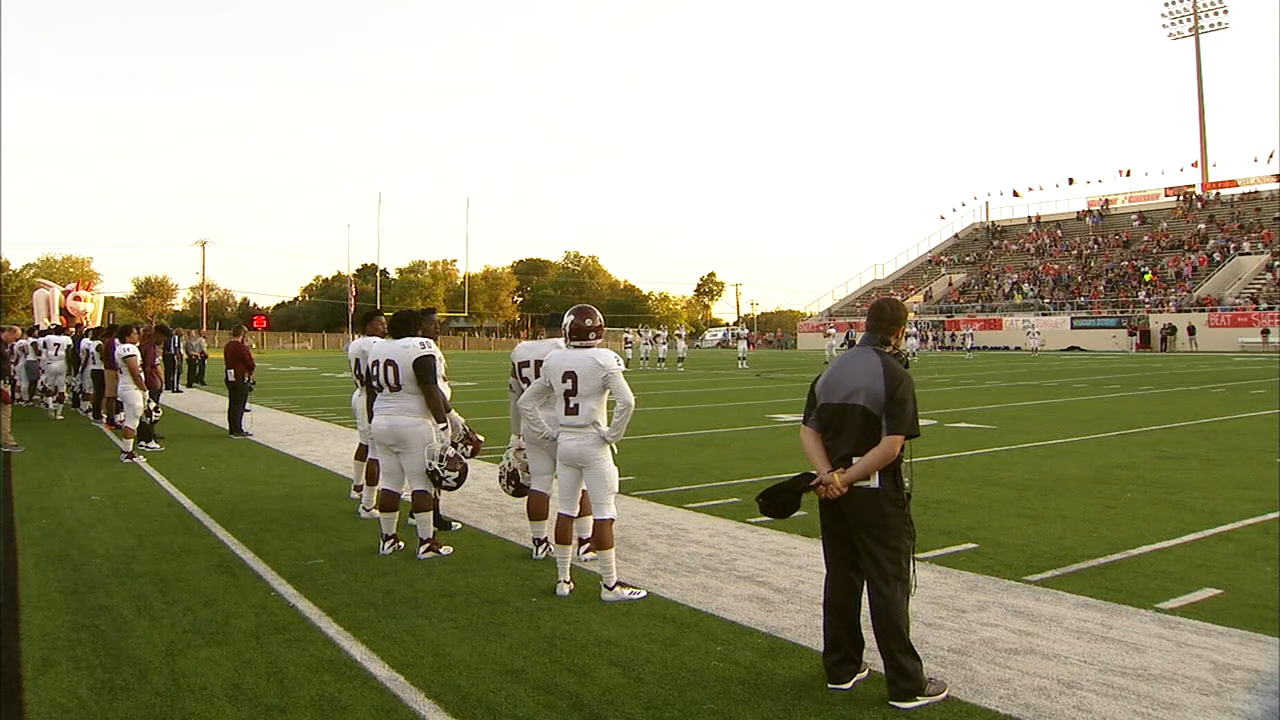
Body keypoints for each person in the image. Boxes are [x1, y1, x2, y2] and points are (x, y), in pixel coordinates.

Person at [801, 297, 948, 711]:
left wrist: (829, 475)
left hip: (832, 492)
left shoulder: (831, 370)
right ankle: (906, 682)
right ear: (900, 331)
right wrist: (847, 477)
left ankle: (841, 667)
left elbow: (808, 431)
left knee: (842, 578)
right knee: (888, 583)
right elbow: (890, 445)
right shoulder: (893, 373)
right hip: (874, 492)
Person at [517, 304, 645, 602]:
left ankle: (563, 579)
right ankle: (609, 585)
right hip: (592, 442)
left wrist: (548, 432)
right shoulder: (603, 360)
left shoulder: (554, 359)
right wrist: (612, 434)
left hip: (566, 442)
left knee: (566, 509)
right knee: (603, 513)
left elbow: (526, 402)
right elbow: (627, 402)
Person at [365, 309, 456, 559]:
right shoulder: (420, 346)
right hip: (413, 422)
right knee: (421, 484)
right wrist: (443, 422)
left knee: (391, 483)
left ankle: (388, 539)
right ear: (416, 327)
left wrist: (373, 419)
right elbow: (429, 387)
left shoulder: (378, 348)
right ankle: (427, 542)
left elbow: (371, 390)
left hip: (381, 420)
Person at [508, 312, 596, 561]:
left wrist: (515, 434)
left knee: (539, 483)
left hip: (531, 423)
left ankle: (539, 543)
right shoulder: (564, 349)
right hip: (562, 422)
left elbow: (514, 394)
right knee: (580, 484)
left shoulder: (520, 350)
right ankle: (585, 542)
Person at [348, 309, 387, 518]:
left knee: (364, 444)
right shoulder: (374, 344)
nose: (384, 326)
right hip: (370, 397)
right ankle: (368, 504)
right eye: (380, 323)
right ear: (369, 325)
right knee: (375, 452)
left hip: (359, 394)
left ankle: (357, 486)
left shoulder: (356, 343)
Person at [114, 324, 149, 463]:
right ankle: (126, 452)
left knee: (132, 419)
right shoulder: (128, 348)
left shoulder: (123, 348)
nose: (137, 335)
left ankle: (127, 451)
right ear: (127, 335)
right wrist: (144, 390)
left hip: (128, 387)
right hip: (131, 388)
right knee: (132, 420)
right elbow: (135, 372)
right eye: (134, 333)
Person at [136, 325, 167, 452]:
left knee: (148, 410)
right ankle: (147, 439)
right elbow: (148, 367)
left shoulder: (146, 345)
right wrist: (150, 384)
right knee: (150, 411)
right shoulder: (149, 348)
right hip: (151, 383)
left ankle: (145, 436)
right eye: (163, 338)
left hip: (151, 382)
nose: (163, 341)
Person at [223, 325, 255, 438]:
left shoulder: (228, 346)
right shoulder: (241, 348)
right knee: (239, 404)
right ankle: (237, 429)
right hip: (240, 376)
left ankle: (233, 428)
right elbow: (250, 364)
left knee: (233, 403)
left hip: (230, 376)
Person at [37, 325, 73, 420]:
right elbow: (69, 353)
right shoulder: (67, 339)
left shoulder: (48, 338)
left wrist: (43, 365)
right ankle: (59, 413)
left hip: (50, 362)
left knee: (50, 386)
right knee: (61, 389)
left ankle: (50, 405)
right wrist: (70, 367)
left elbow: (44, 352)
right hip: (61, 363)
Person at [0, 325, 23, 452]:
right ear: (8, 333)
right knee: (5, 412)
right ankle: (6, 441)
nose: (13, 341)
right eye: (14, 338)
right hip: (2, 382)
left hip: (4, 380)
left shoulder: (3, 345)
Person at [102, 323, 121, 428]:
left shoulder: (109, 341)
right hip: (114, 369)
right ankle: (112, 418)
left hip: (110, 368)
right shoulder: (114, 342)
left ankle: (112, 417)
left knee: (112, 396)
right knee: (112, 396)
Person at [164, 328, 185, 393]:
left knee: (168, 371)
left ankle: (168, 385)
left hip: (167, 355)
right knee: (175, 371)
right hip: (173, 355)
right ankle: (175, 387)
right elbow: (176, 347)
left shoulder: (167, 338)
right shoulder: (176, 338)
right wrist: (178, 357)